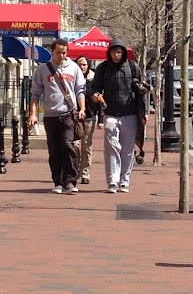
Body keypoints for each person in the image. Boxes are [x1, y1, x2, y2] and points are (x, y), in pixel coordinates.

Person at [28, 38, 86, 194]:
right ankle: (58, 182)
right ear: (52, 52)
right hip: (50, 116)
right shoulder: (43, 69)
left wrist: (82, 108)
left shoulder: (73, 68)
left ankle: (70, 181)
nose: (62, 56)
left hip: (68, 114)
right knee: (54, 150)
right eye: (59, 53)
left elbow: (80, 89)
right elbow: (35, 93)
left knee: (68, 146)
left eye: (65, 53)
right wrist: (32, 114)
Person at [87, 40, 146, 193]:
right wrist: (96, 96)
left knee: (127, 149)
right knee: (111, 147)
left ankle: (124, 180)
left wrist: (144, 112)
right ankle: (113, 180)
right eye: (114, 52)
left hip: (130, 113)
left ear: (124, 53)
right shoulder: (103, 68)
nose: (116, 55)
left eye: (119, 52)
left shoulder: (133, 67)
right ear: (109, 53)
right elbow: (95, 88)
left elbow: (142, 91)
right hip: (110, 113)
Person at [75, 57, 97, 185]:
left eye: (84, 65)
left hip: (90, 116)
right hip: (76, 116)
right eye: (80, 65)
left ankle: (85, 173)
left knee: (86, 145)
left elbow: (98, 98)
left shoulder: (93, 79)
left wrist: (100, 117)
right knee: (75, 145)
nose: (82, 67)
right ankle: (76, 170)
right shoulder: (72, 78)